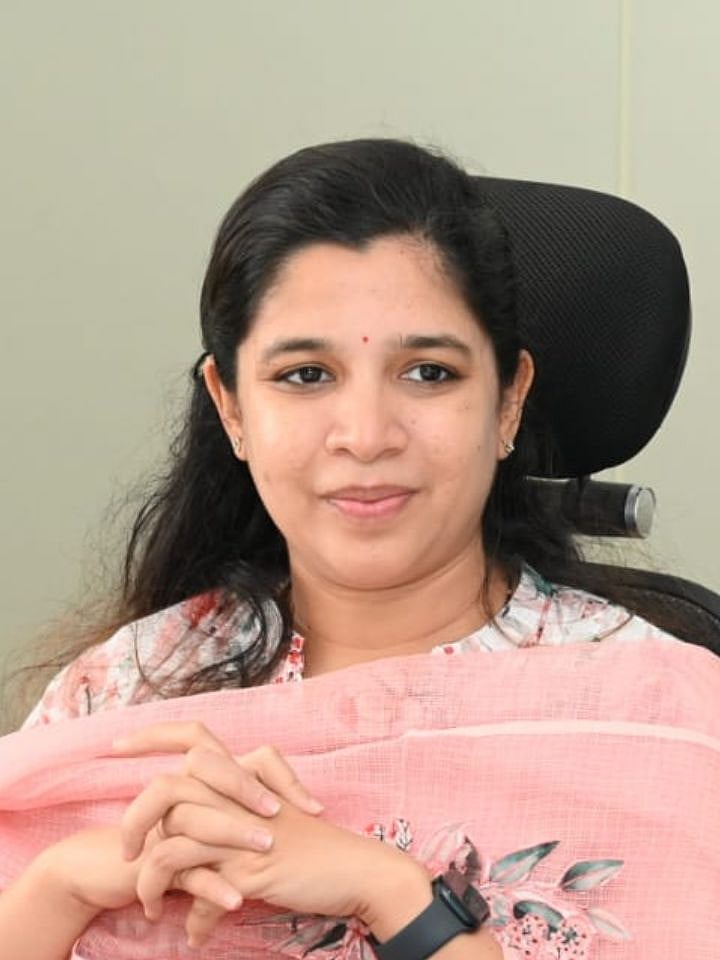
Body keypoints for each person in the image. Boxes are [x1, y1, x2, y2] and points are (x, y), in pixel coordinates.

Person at [0, 139, 710, 960]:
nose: (367, 436)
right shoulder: (124, 697)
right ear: (231, 409)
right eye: (305, 375)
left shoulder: (662, 721)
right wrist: (57, 889)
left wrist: (392, 893)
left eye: (429, 373)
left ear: (508, 400)